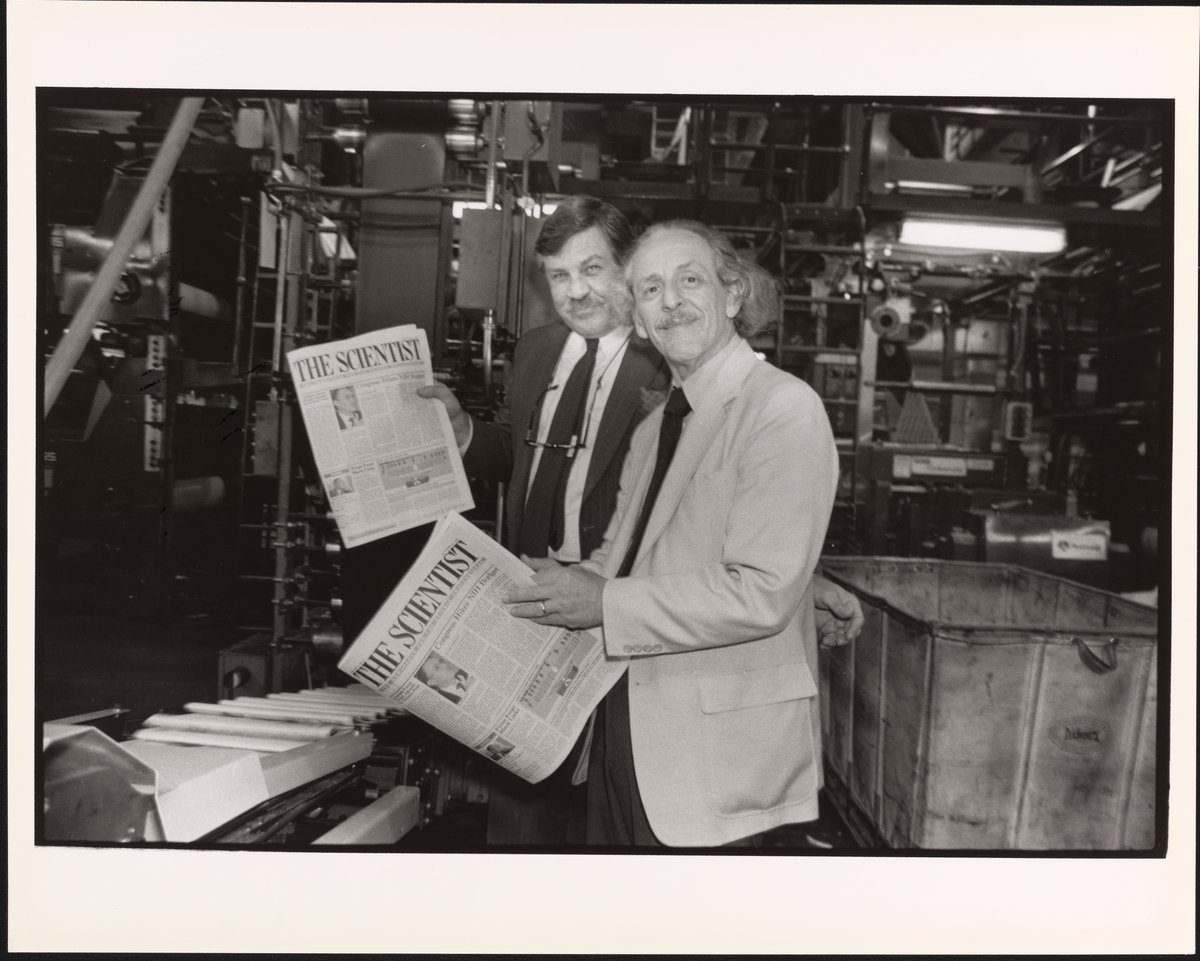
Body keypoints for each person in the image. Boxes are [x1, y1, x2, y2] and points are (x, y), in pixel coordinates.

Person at [420, 199, 862, 846]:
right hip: (627, 725)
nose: (670, 302)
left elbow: (760, 587)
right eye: (651, 289)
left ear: (733, 294)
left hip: (714, 753)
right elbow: (627, 556)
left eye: (690, 280)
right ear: (640, 316)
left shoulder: (783, 408)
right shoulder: (661, 423)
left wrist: (602, 599)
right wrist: (536, 588)